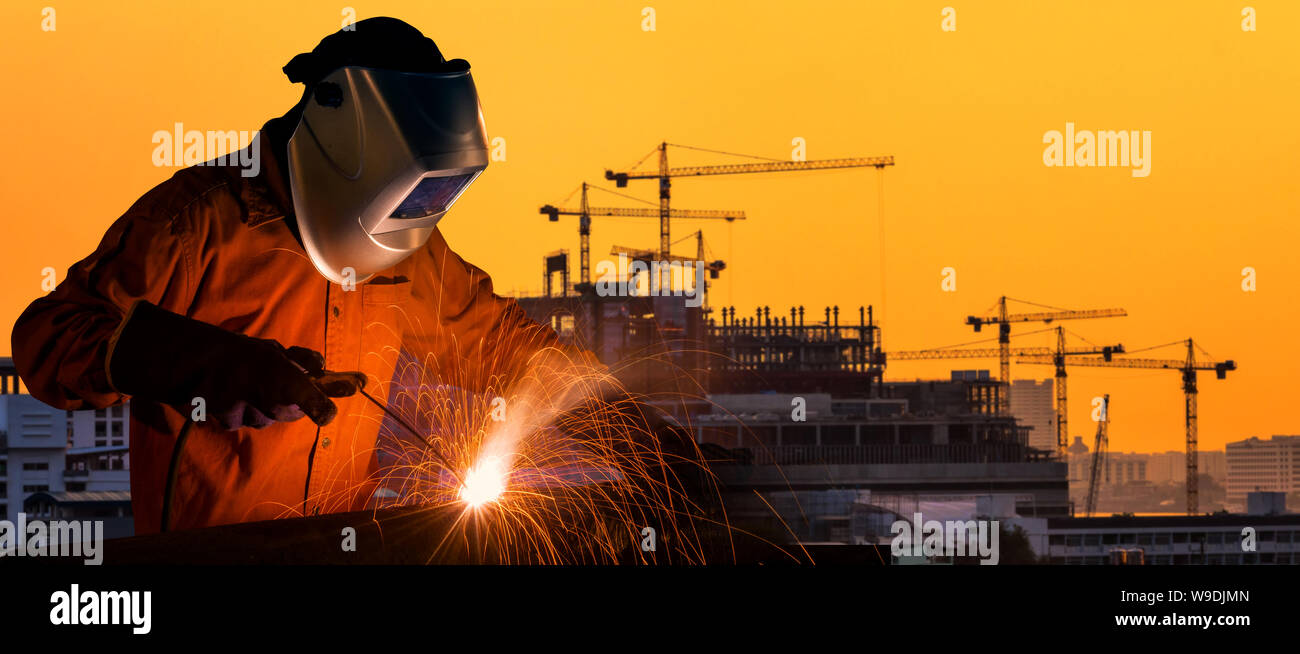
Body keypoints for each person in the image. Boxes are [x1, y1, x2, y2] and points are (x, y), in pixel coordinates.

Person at [10, 17, 576, 533]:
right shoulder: (195, 223)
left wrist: (629, 424)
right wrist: (199, 361)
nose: (416, 211)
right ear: (345, 142)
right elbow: (48, 337)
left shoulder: (410, 249)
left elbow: (505, 348)